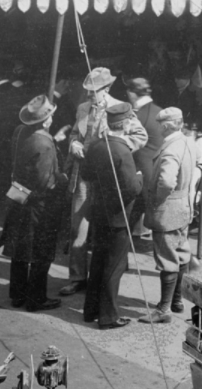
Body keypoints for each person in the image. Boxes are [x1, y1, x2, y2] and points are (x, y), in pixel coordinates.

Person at [61, 67, 146, 297]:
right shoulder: (82, 108)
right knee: (77, 226)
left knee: (107, 227)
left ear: (106, 89)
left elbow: (140, 136)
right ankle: (77, 277)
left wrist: (115, 150)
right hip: (83, 176)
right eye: (87, 91)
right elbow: (75, 135)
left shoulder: (118, 108)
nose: (88, 95)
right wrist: (74, 144)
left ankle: (107, 276)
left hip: (107, 178)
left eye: (93, 91)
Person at [0, 95, 66, 311]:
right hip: (39, 204)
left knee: (20, 247)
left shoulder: (20, 132)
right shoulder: (45, 144)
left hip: (19, 194)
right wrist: (62, 179)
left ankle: (17, 295)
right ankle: (36, 298)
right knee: (41, 250)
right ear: (46, 120)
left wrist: (54, 139)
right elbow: (46, 182)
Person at [82, 101, 143, 330]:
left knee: (97, 260)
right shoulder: (122, 150)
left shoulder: (97, 145)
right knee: (114, 266)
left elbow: (86, 173)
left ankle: (90, 309)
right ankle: (108, 316)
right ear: (126, 123)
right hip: (119, 216)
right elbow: (132, 188)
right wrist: (139, 176)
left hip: (100, 211)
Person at [140, 107, 197, 324]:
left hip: (168, 209)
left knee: (166, 258)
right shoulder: (187, 141)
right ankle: (176, 299)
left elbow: (166, 181)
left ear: (165, 126)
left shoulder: (170, 149)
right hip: (183, 206)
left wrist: (156, 199)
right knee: (181, 252)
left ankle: (163, 309)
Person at [124, 77, 165, 236]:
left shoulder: (137, 115)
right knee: (139, 207)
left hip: (142, 169)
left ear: (132, 93)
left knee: (145, 208)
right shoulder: (158, 110)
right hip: (155, 165)